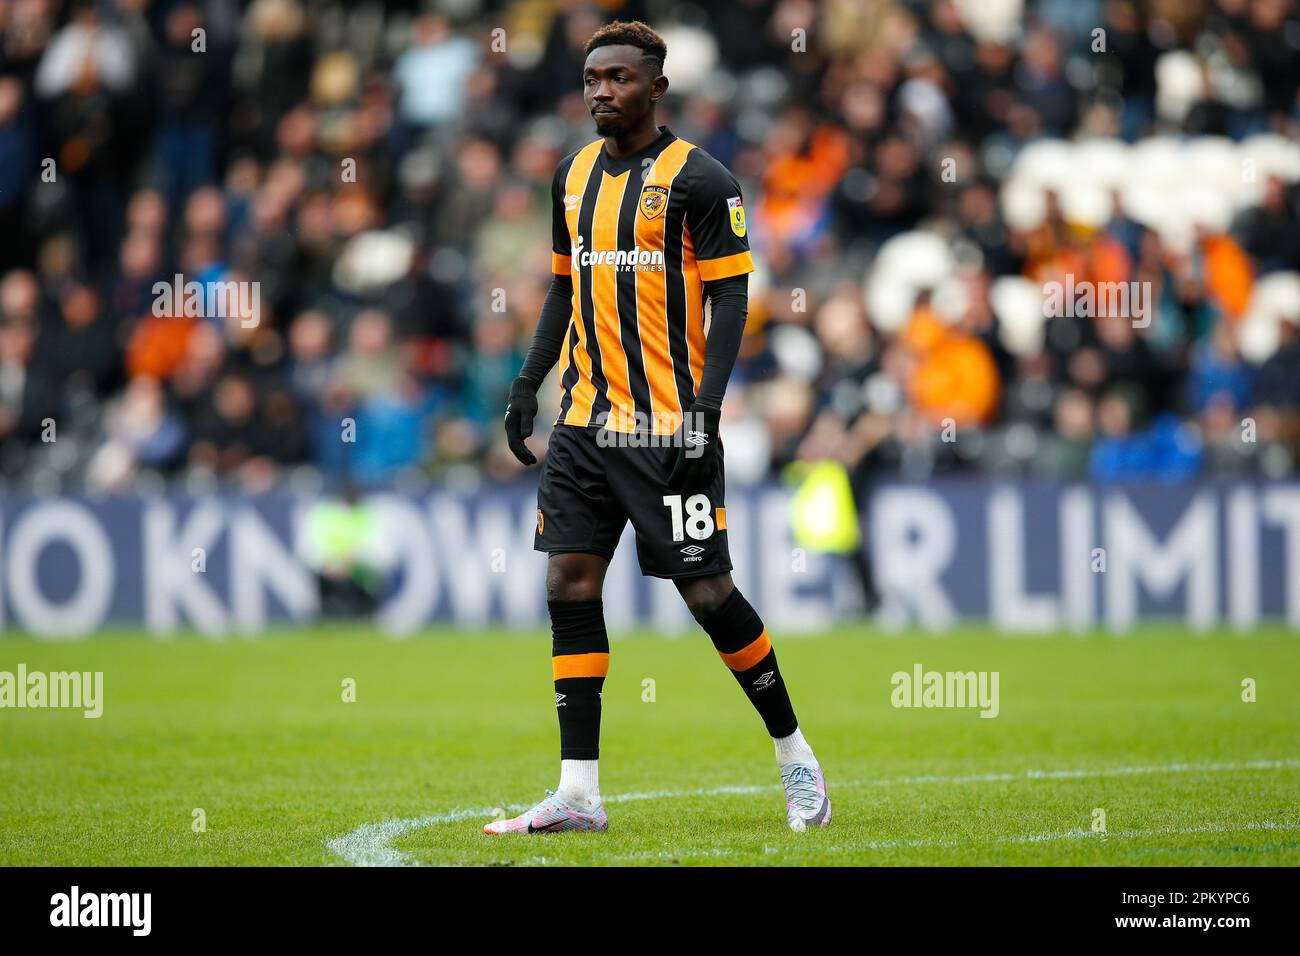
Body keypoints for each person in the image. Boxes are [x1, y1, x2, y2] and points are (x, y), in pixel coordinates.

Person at [489, 21, 829, 835]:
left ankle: (795, 755)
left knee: (707, 593)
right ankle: (578, 792)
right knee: (568, 583)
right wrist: (527, 384)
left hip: (666, 426)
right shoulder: (572, 179)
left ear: (656, 88)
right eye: (591, 78)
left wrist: (704, 416)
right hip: (582, 422)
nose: (600, 90)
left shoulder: (702, 181)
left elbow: (734, 298)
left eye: (618, 77)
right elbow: (563, 292)